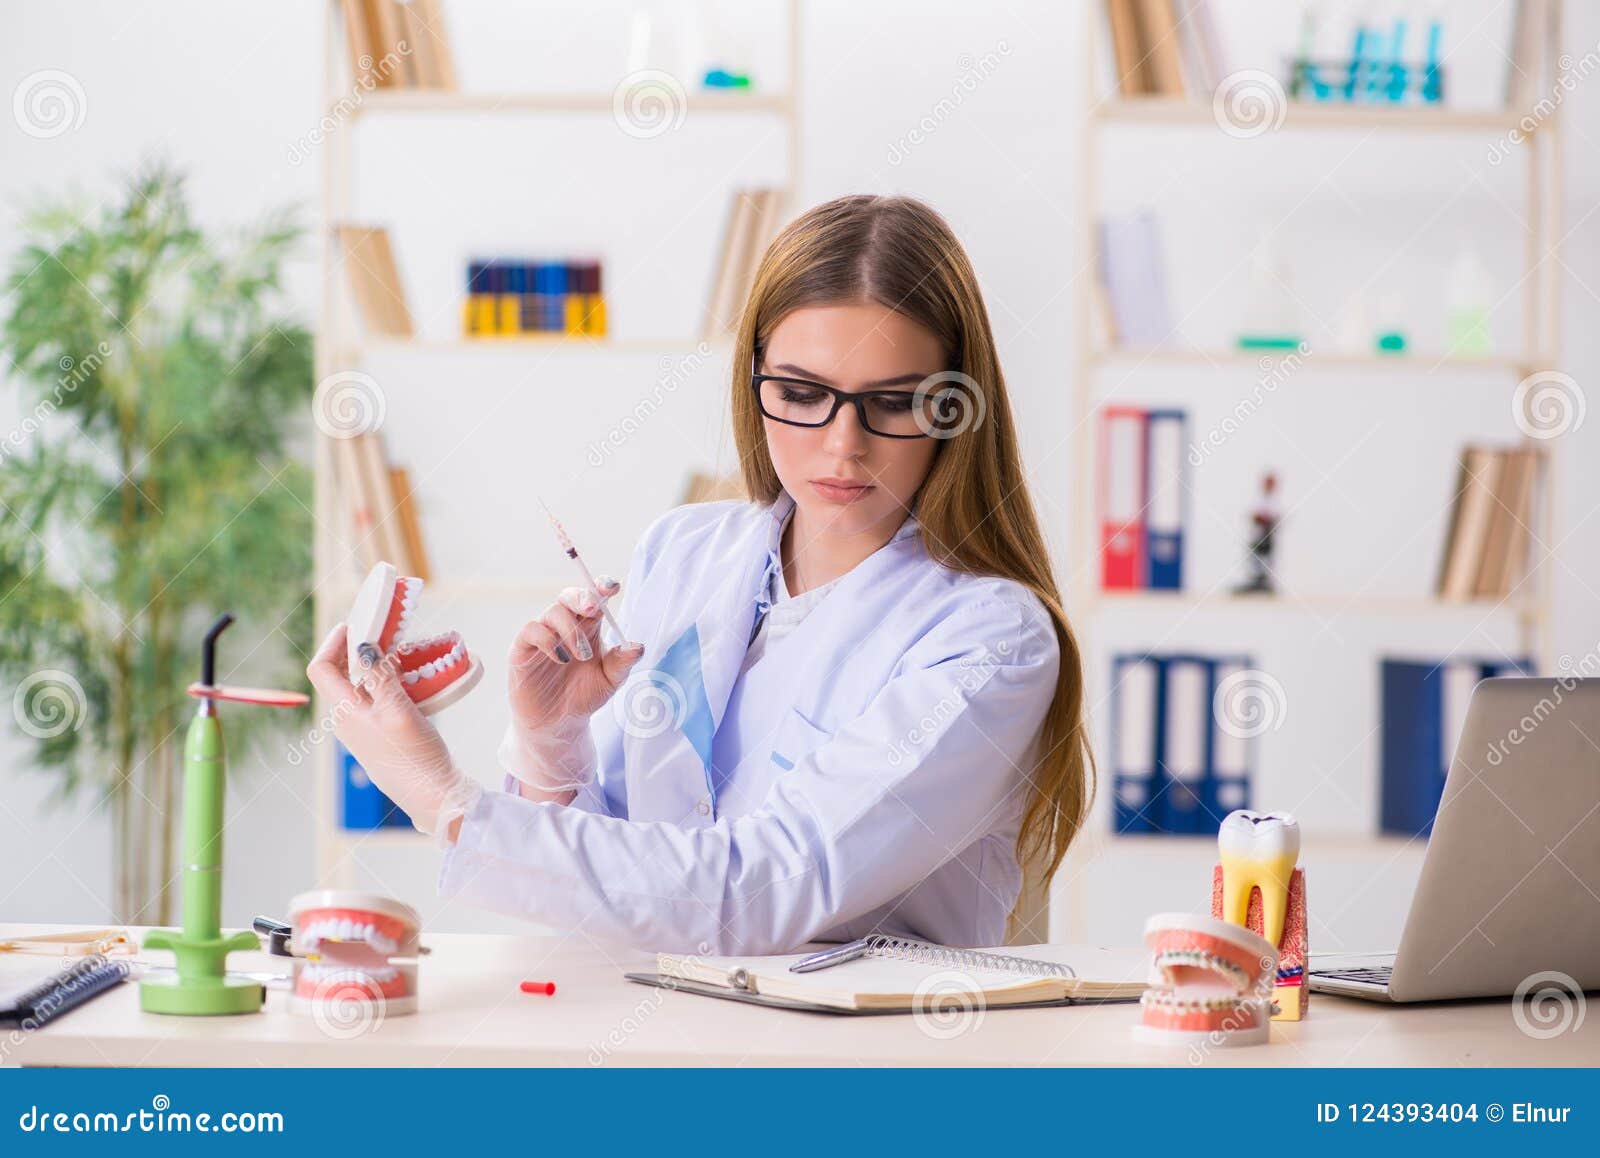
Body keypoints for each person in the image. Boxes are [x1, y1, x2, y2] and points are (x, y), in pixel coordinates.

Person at [308, 194, 1095, 955]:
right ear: (753, 384)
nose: (843, 444)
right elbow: (623, 885)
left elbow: (756, 893)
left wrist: (443, 801)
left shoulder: (991, 639)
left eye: (892, 402)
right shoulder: (684, 551)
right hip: (650, 1031)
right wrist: (554, 746)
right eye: (801, 393)